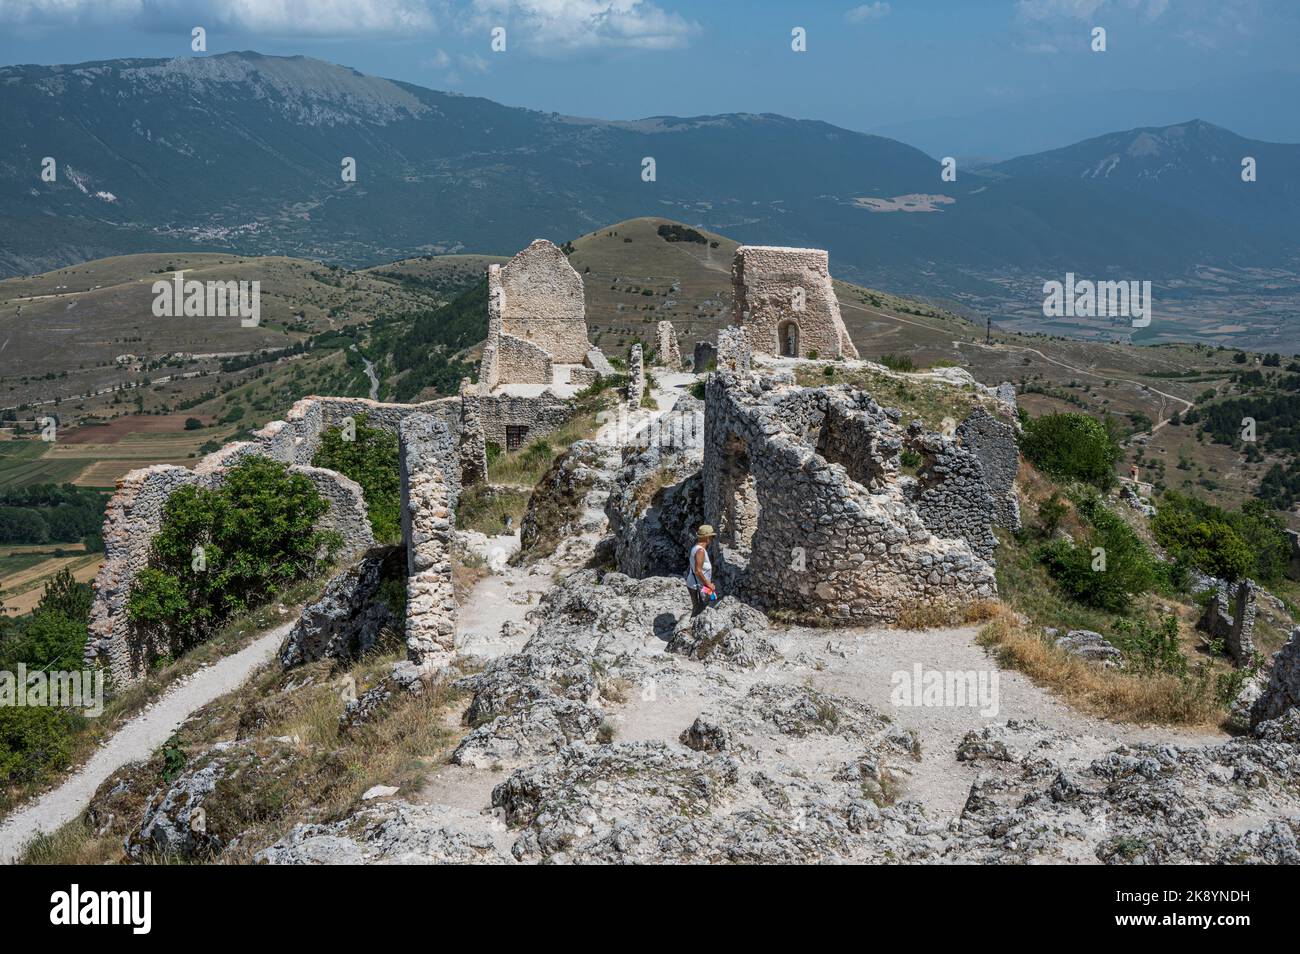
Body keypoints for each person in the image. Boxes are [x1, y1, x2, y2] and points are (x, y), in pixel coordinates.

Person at [686, 524, 717, 617]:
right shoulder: (700, 551)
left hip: (694, 583)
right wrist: (709, 585)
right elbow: (698, 571)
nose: (712, 539)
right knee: (708, 604)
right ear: (706, 537)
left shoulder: (696, 548)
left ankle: (693, 623)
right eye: (711, 536)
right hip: (699, 586)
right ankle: (696, 625)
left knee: (698, 607)